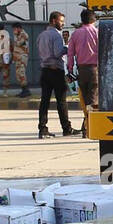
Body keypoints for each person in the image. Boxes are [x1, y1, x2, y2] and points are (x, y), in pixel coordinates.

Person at [36, 11, 75, 139]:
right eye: (61, 21)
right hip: (56, 71)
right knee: (61, 101)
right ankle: (66, 128)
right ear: (53, 20)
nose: (63, 24)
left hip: (44, 71)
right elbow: (58, 52)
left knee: (44, 101)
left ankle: (42, 128)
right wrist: (68, 48)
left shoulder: (41, 35)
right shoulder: (56, 36)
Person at [67, 9, 100, 126]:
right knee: (94, 98)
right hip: (95, 69)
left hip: (81, 70)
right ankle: (91, 125)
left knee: (85, 98)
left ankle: (86, 122)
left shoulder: (75, 34)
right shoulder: (97, 33)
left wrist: (70, 70)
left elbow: (70, 54)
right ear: (94, 19)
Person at [11, 22, 31, 97]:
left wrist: (15, 35)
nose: (14, 30)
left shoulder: (23, 35)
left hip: (22, 57)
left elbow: (18, 43)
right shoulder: (17, 35)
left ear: (19, 28)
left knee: (21, 73)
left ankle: (26, 90)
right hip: (17, 57)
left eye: (15, 28)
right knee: (18, 74)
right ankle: (23, 89)